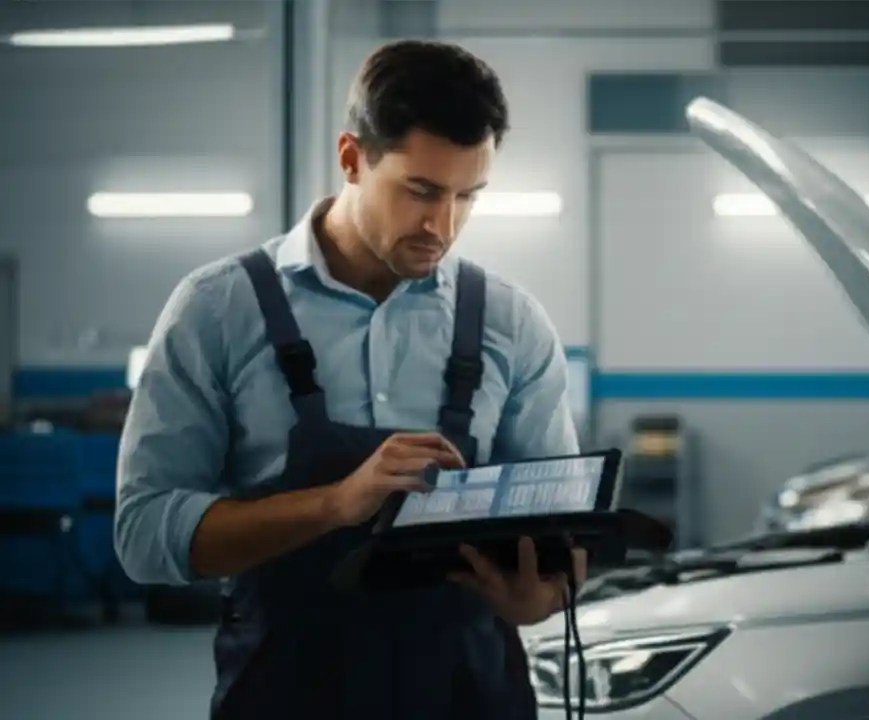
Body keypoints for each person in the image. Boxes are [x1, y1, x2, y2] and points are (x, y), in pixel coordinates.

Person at [115, 40, 585, 719]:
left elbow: (562, 540)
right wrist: (336, 504)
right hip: (287, 695)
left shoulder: (511, 324)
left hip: (471, 696)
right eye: (420, 191)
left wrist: (540, 598)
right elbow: (143, 533)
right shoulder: (217, 309)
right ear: (350, 158)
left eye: (467, 196)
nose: (443, 226)